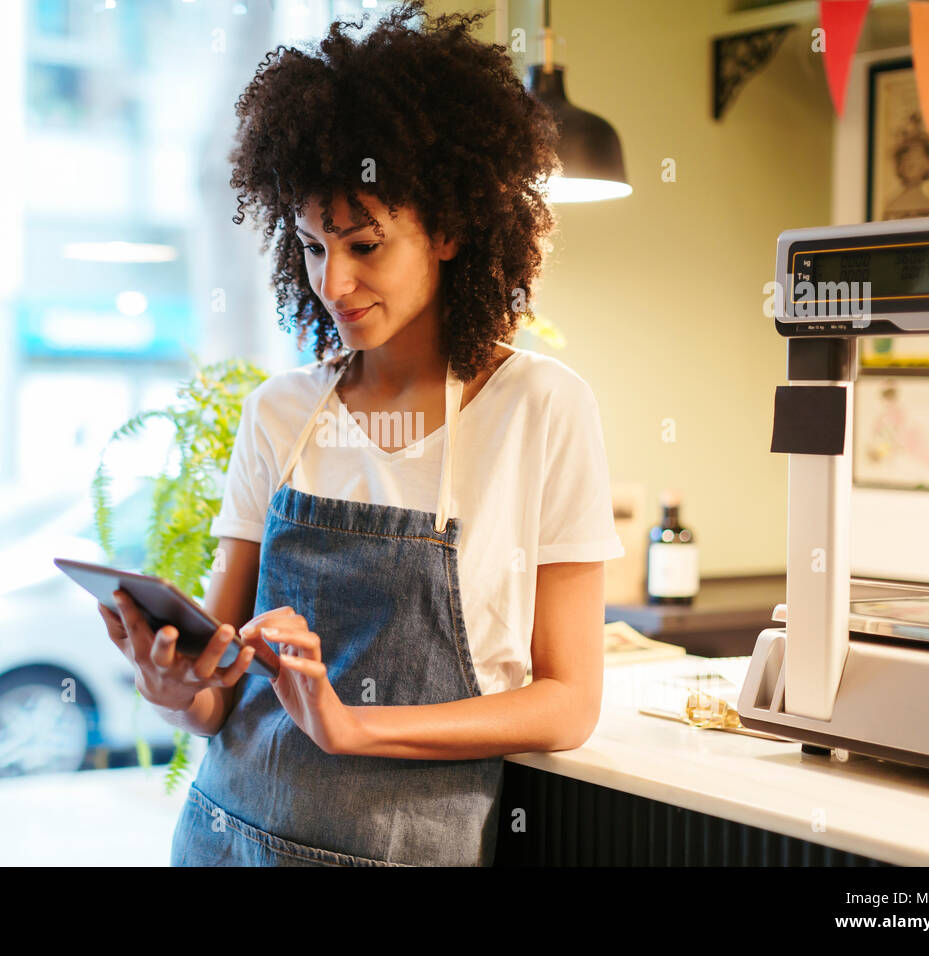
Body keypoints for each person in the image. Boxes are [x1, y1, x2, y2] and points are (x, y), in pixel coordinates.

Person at [98, 0, 624, 866]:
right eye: (310, 245)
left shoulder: (541, 409)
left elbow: (568, 702)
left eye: (364, 244)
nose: (332, 280)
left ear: (451, 228)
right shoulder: (281, 413)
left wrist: (352, 727)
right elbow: (216, 697)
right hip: (225, 839)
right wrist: (167, 685)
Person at [883, 112, 929, 220]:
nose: (910, 161)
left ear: (927, 163)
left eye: (917, 156)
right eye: (906, 156)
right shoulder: (892, 207)